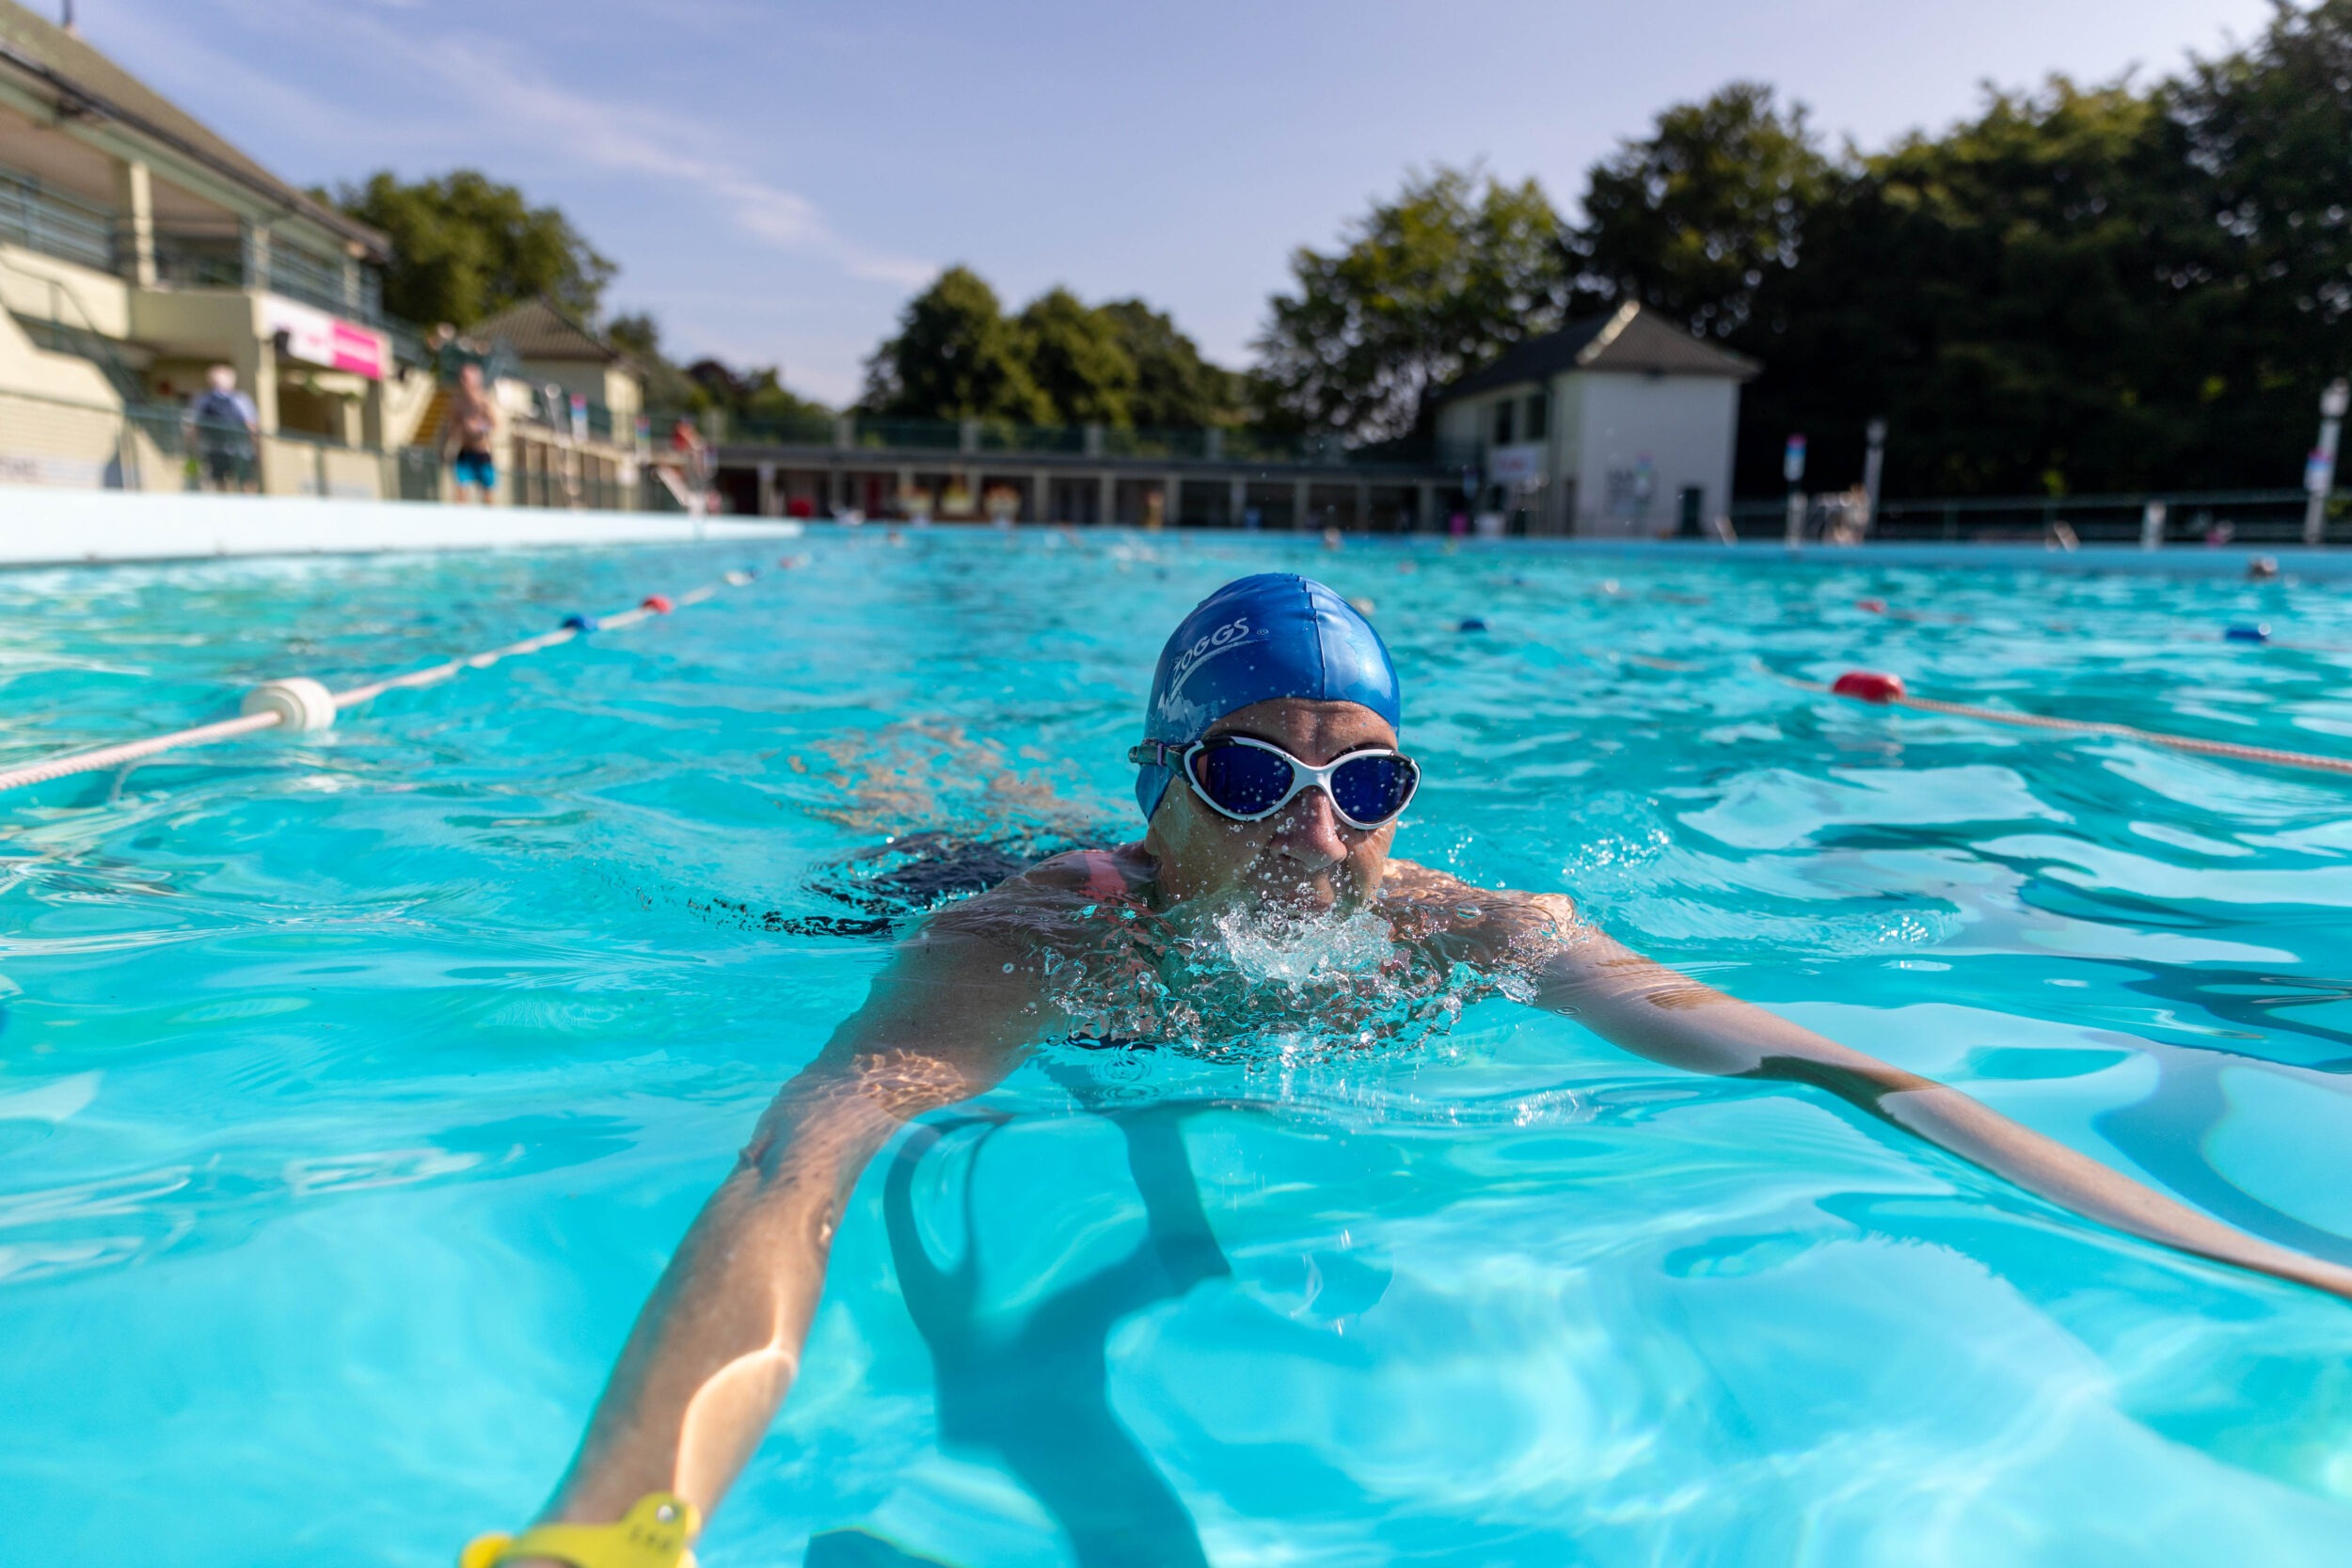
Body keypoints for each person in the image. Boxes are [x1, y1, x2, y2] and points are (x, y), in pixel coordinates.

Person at [462, 574, 2352, 1568]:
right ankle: (904, 790)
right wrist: (618, 1520)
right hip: (970, 897)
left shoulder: (1470, 926)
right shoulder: (1031, 936)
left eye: (1359, 777)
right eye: (1245, 772)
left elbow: (1820, 1066)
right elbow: (801, 1163)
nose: (1310, 827)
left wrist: (2261, 1256)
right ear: (1158, 787)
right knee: (878, 856)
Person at [184, 365, 257, 494]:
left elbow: (193, 427)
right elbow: (251, 426)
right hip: (229, 450)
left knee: (234, 482)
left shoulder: (205, 399)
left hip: (227, 449)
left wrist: (193, 447)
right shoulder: (238, 399)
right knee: (234, 482)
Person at [442, 363, 499, 504]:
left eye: (466, 378)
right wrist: (445, 447)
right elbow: (452, 426)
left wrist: (479, 426)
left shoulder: (484, 401)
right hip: (465, 452)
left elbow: (495, 424)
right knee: (461, 491)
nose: (462, 381)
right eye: (461, 378)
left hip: (482, 453)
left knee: (488, 493)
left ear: (476, 381)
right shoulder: (457, 402)